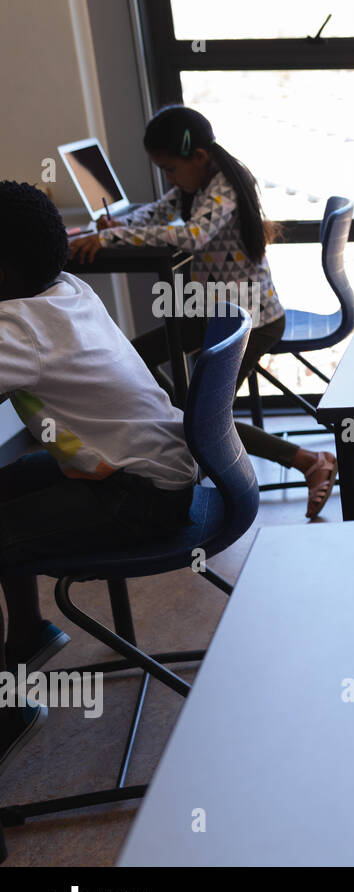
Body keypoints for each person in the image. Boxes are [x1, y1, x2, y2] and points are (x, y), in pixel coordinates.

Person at [0, 181, 198, 775]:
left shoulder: (17, 328)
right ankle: (30, 634)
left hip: (132, 497)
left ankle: (8, 712)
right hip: (151, 473)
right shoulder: (66, 291)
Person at [69, 105, 337, 518]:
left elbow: (193, 236)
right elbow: (158, 212)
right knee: (135, 361)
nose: (170, 179)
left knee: (206, 422)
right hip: (211, 313)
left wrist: (114, 238)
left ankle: (309, 461)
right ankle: (184, 418)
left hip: (250, 321)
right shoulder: (198, 183)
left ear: (197, 157)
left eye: (171, 169)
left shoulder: (225, 186)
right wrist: (108, 229)